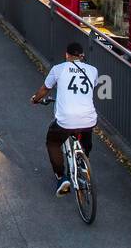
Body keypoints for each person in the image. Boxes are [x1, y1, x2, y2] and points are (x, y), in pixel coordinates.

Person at [31, 42, 99, 196]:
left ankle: (62, 178)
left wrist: (35, 99)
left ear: (67, 55)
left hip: (66, 119)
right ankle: (83, 163)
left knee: (53, 142)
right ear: (82, 56)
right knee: (86, 133)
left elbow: (45, 89)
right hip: (88, 117)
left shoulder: (59, 69)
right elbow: (93, 86)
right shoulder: (93, 70)